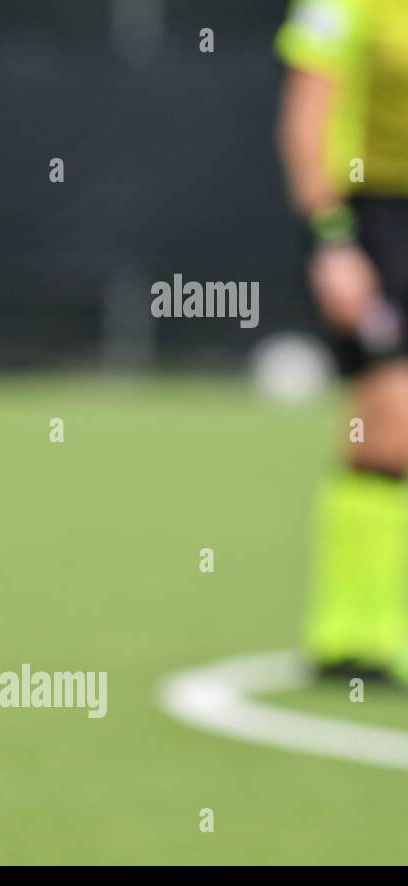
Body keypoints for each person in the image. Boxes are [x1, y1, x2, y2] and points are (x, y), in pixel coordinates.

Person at [276, 0, 408, 681]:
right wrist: (331, 242)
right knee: (391, 421)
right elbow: (306, 117)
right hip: (371, 219)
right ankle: (354, 637)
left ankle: (359, 637)